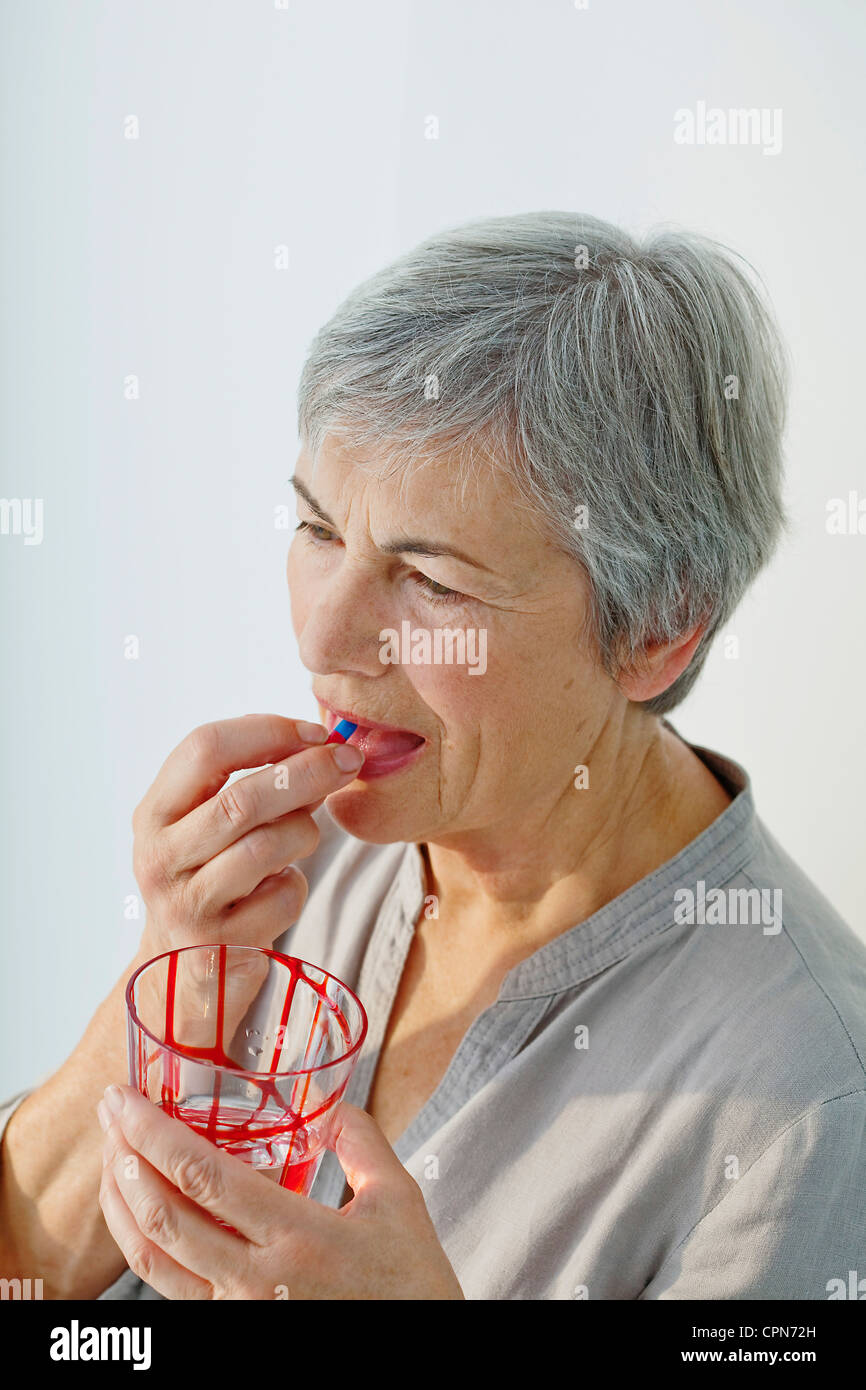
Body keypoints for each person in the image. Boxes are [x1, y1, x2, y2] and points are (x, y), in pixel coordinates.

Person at [2, 211, 863, 1300]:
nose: (320, 638)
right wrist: (169, 972)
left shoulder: (808, 1106)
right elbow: (20, 1267)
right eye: (318, 531)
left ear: (655, 630)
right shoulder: (289, 859)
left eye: (431, 582)